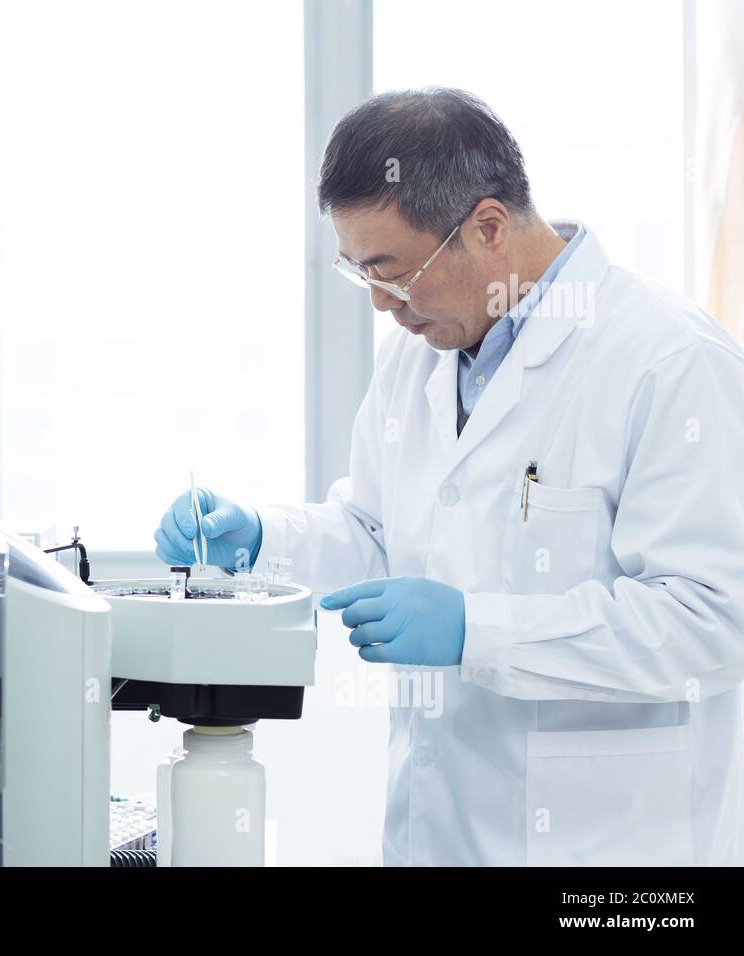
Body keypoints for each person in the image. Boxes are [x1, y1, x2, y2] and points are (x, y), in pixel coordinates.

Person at [154, 88, 744, 866]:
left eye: (391, 272)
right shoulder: (421, 354)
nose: (377, 303)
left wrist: (477, 631)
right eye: (357, 271)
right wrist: (264, 539)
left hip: (606, 855)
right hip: (439, 834)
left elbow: (712, 622)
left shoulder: (668, 361)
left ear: (489, 227)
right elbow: (377, 533)